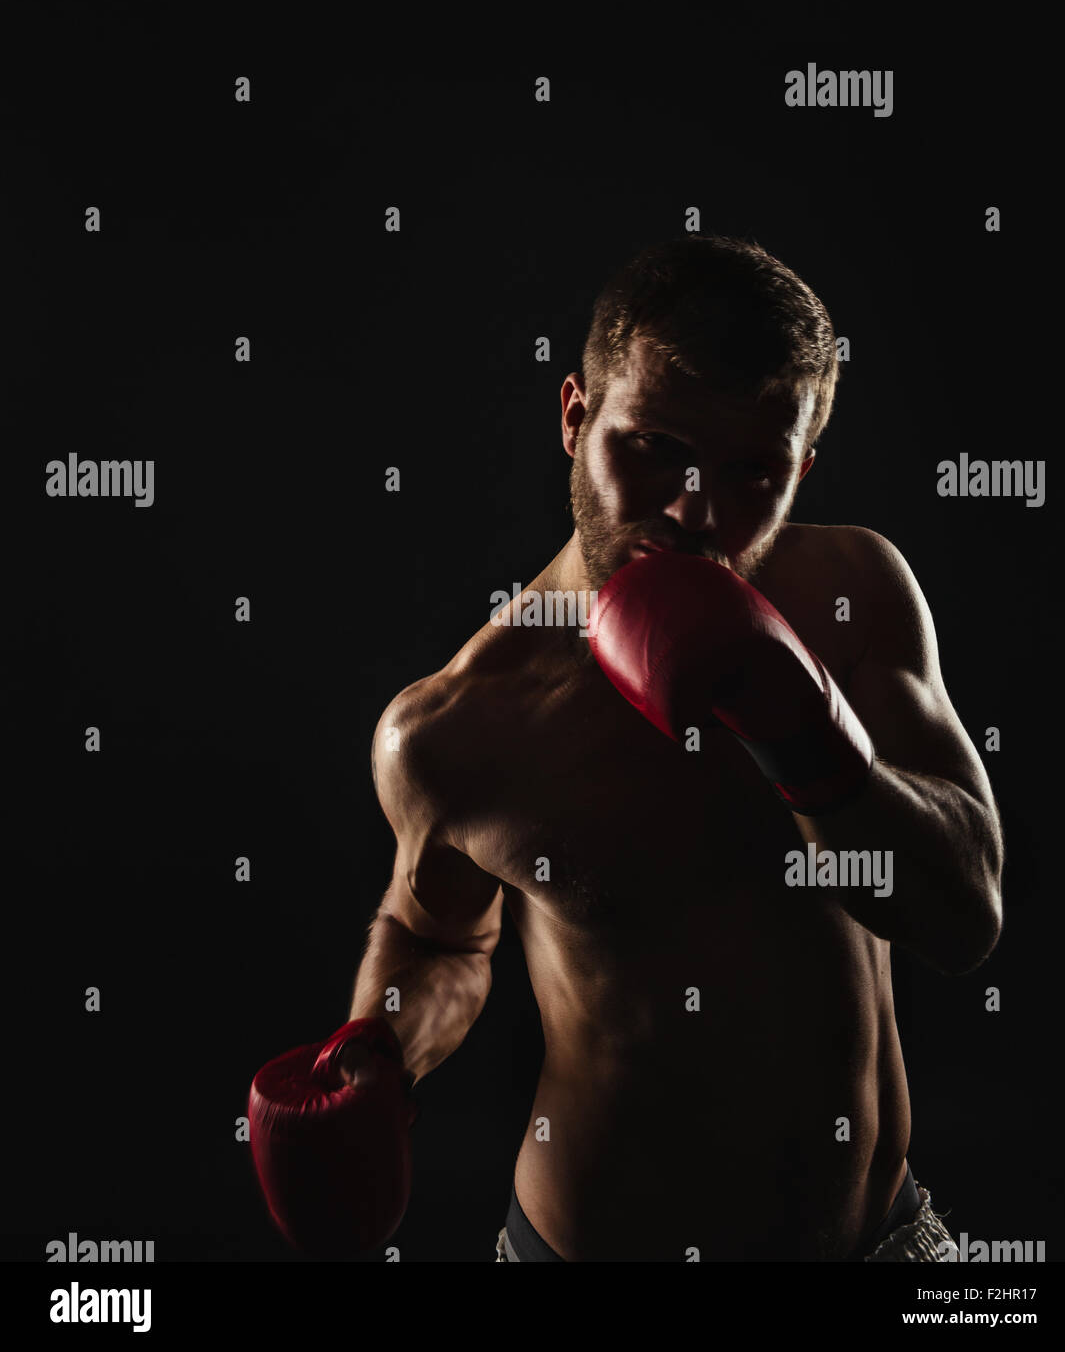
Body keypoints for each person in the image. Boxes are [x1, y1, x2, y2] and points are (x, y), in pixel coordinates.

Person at [249, 234, 1003, 1262]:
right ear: (575, 417)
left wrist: (809, 737)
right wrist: (376, 1047)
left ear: (803, 467)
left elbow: (965, 915)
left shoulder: (855, 594)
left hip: (879, 1240)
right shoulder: (457, 727)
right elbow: (436, 936)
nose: (697, 512)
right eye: (654, 448)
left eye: (753, 472)